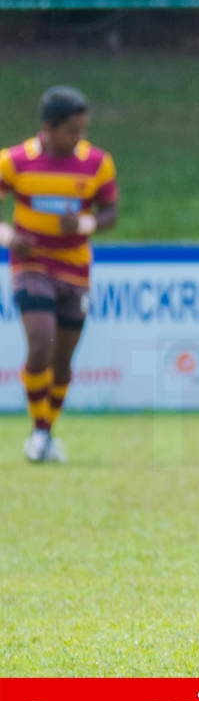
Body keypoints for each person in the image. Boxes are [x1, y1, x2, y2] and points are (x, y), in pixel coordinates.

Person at [0, 86, 119, 463]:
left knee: (63, 360)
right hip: (32, 265)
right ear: (48, 128)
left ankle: (46, 432)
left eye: (82, 130)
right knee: (41, 343)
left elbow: (110, 213)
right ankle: (39, 432)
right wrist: (8, 237)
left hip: (76, 270)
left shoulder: (97, 163)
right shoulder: (14, 161)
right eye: (71, 131)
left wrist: (84, 223)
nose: (78, 138)